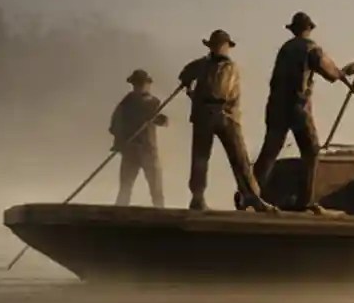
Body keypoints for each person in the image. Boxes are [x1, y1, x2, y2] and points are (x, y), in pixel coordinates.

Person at [253, 12, 354, 213]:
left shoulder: (285, 49)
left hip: (276, 106)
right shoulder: (310, 48)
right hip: (297, 107)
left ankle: (249, 195)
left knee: (270, 151)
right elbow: (330, 72)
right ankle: (306, 202)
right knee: (311, 151)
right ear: (309, 29)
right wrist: (346, 71)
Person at [178, 30, 274, 212]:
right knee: (200, 158)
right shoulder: (201, 64)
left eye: (221, 45)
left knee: (239, 158)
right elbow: (184, 76)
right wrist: (190, 89)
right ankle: (197, 198)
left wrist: (194, 91)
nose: (219, 48)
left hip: (227, 116)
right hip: (204, 115)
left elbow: (222, 91)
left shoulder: (231, 67)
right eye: (216, 45)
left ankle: (252, 196)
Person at [109, 69, 168, 207]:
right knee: (125, 187)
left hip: (148, 149)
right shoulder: (126, 103)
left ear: (148, 84)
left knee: (156, 189)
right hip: (131, 150)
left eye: (142, 83)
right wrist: (119, 141)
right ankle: (119, 215)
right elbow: (115, 124)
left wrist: (158, 119)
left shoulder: (154, 102)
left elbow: (163, 122)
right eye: (137, 84)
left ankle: (162, 216)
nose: (140, 86)